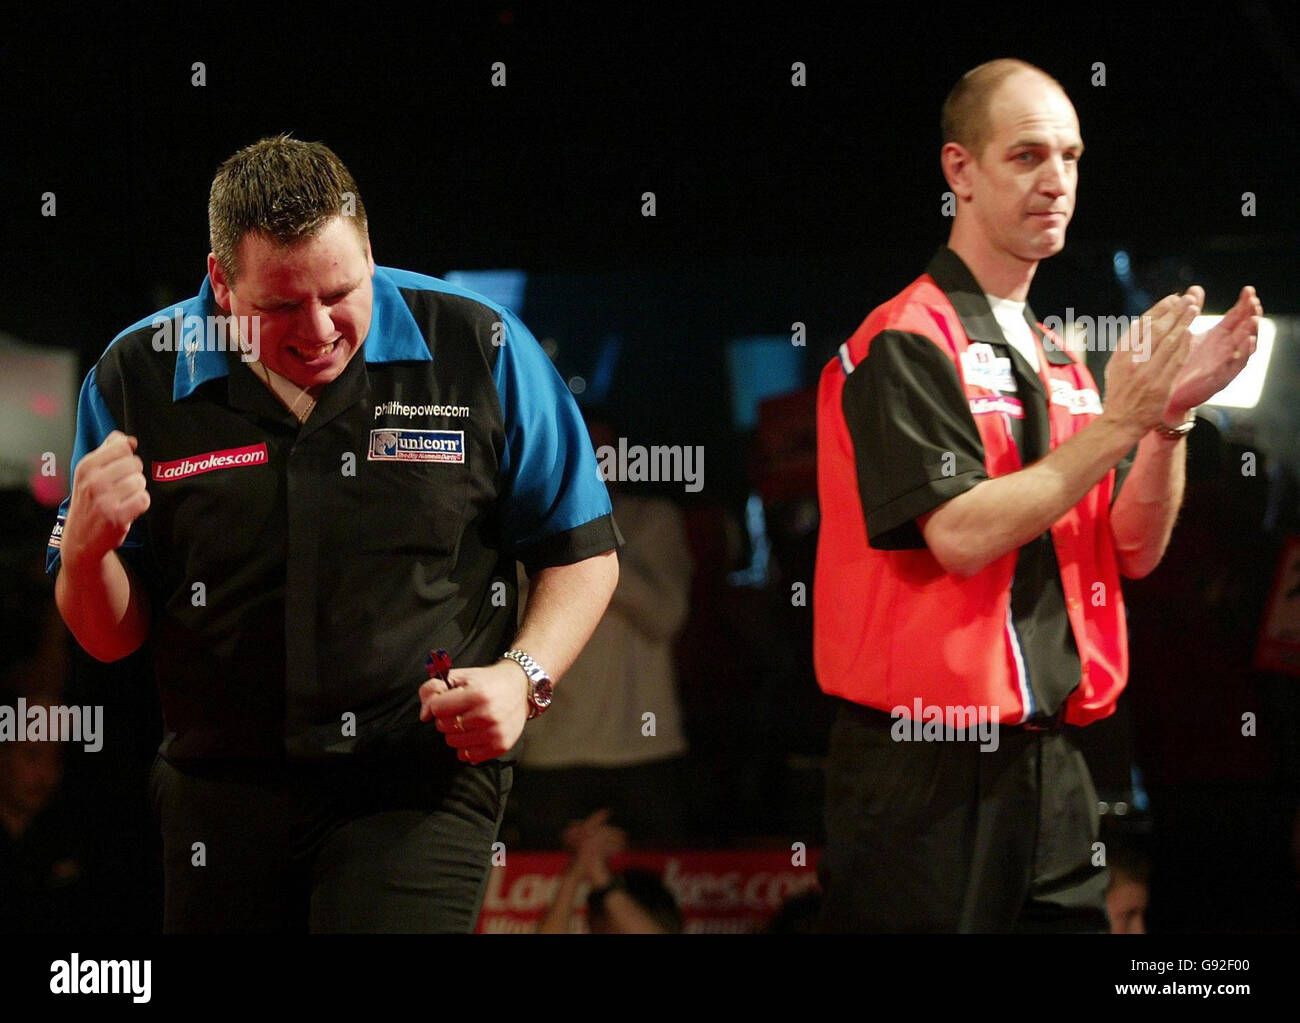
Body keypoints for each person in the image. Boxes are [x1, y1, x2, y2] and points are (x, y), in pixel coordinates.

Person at [47, 135, 620, 933]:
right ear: (218, 281)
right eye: (281, 305)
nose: (318, 328)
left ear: (370, 253)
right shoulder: (136, 373)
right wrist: (87, 550)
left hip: (416, 778)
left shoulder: (478, 347)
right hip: (220, 781)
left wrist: (524, 680)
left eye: (342, 290)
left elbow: (583, 549)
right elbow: (110, 639)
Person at [813, 59, 1262, 932]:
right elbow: (962, 534)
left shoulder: (1060, 356)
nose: (1056, 181)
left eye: (1071, 156)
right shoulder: (905, 338)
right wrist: (1116, 423)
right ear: (959, 171)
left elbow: (1129, 549)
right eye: (1026, 156)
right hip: (924, 766)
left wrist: (1164, 422)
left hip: (1056, 757)